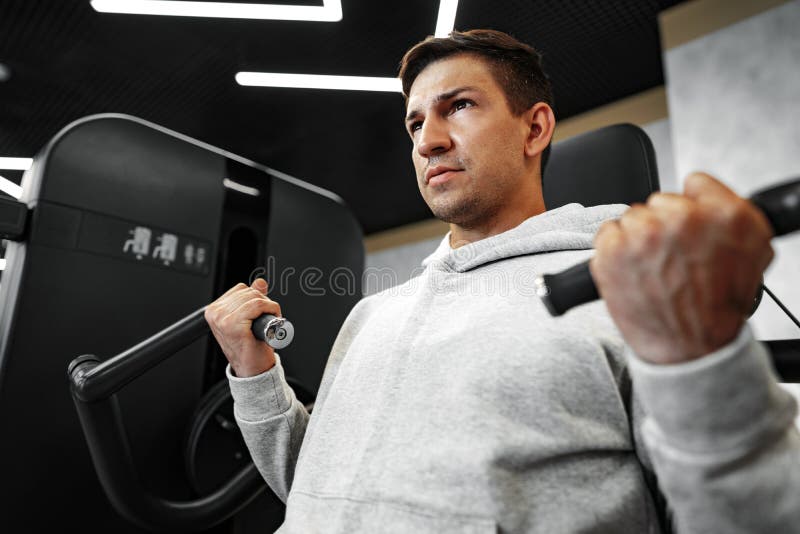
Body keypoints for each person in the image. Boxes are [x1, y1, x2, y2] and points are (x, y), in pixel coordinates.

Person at [204, 30, 799, 533]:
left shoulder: (627, 295)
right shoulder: (370, 315)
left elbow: (750, 517)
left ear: (534, 129)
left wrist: (702, 360)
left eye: (459, 106)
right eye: (415, 123)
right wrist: (255, 376)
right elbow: (316, 492)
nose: (428, 141)